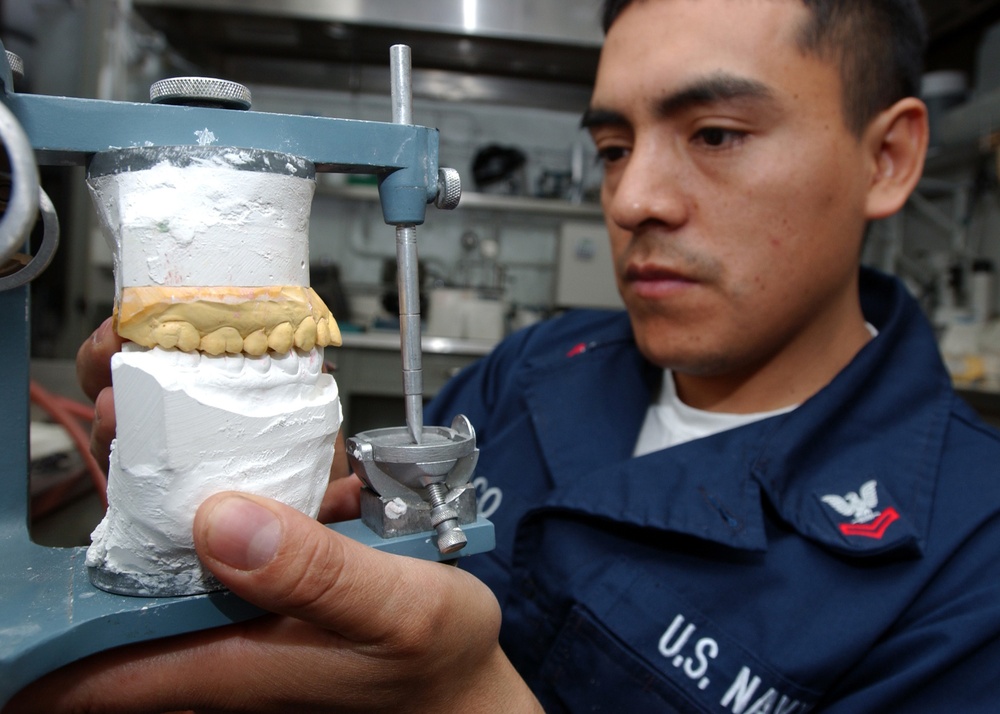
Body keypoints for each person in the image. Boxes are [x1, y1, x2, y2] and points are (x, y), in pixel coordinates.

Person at [8, 0, 1000, 711]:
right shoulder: (538, 367)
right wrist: (266, 456)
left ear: (887, 158)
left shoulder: (969, 564)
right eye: (614, 146)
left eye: (716, 133)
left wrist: (465, 697)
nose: (633, 199)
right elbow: (387, 523)